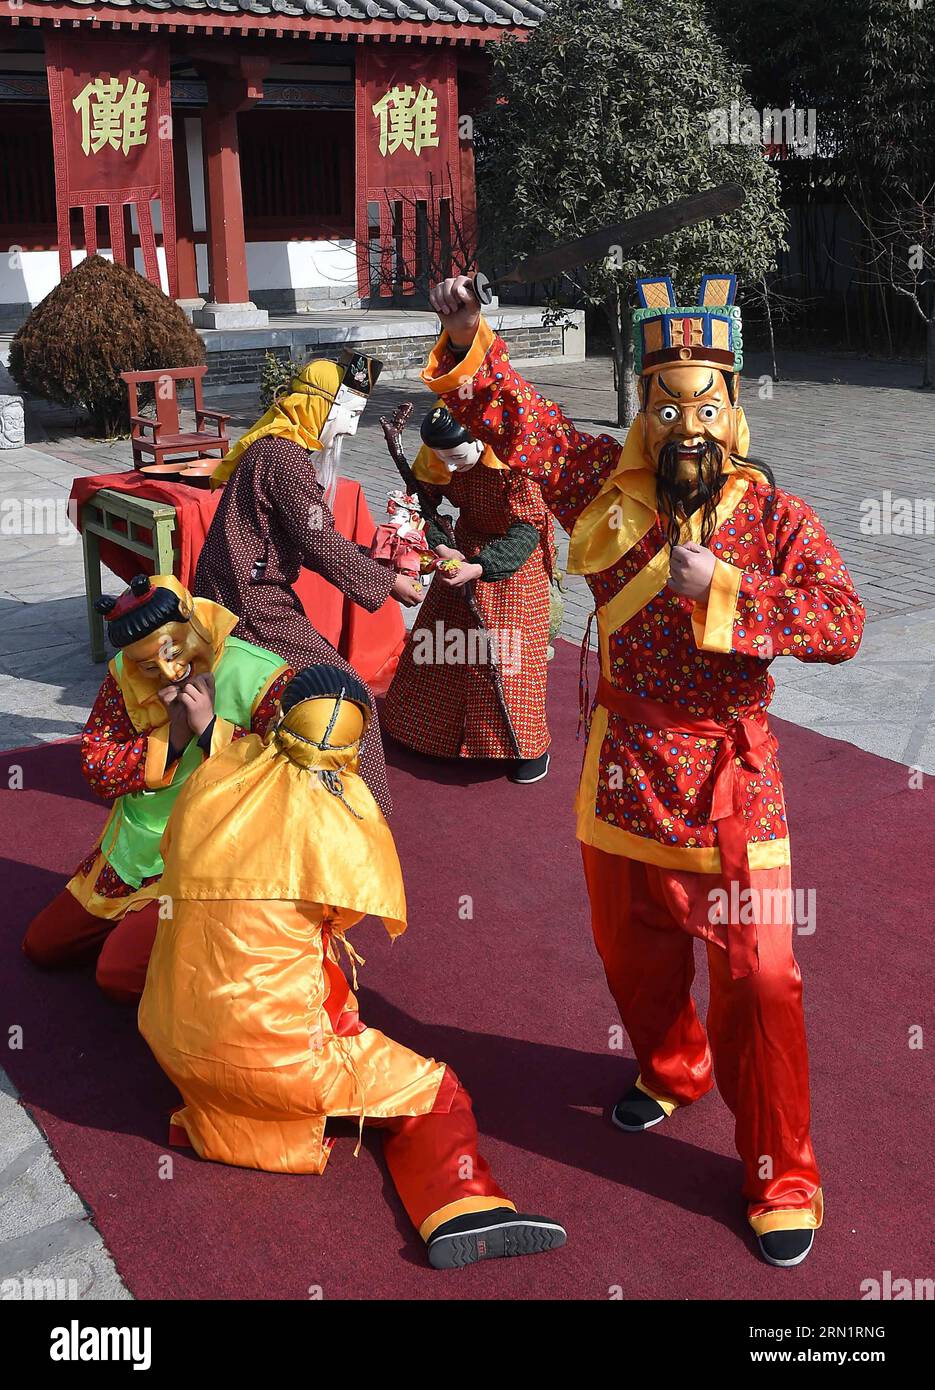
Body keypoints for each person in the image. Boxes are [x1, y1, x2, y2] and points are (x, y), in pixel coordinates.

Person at [421, 271, 866, 1267]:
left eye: (703, 403)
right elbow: (519, 423)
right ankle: (674, 1064)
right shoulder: (597, 482)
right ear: (641, 409)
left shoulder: (774, 519)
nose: (684, 424)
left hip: (732, 777)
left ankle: (779, 1173)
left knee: (761, 977)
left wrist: (734, 592)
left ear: (733, 408)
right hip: (623, 768)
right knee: (632, 950)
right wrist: (463, 333)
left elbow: (840, 621)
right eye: (665, 403)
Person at [138, 663, 567, 1270]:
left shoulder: (213, 783)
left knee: (173, 935)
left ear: (280, 719)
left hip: (171, 1041)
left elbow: (244, 769)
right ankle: (463, 1208)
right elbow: (344, 916)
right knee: (439, 1090)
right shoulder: (343, 819)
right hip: (278, 1062)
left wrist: (208, 730)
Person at [22, 574, 289, 1001]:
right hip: (138, 850)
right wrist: (175, 739)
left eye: (174, 652)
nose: (168, 673)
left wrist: (211, 730)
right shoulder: (124, 677)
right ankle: (153, 931)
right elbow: (98, 767)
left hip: (215, 854)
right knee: (43, 946)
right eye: (149, 666)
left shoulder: (262, 675)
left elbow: (285, 783)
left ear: (193, 621)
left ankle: (222, 957)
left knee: (117, 974)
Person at [194, 350, 422, 818]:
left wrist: (380, 565)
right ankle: (365, 816)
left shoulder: (271, 446)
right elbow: (318, 542)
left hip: (236, 590)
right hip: (251, 602)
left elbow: (315, 537)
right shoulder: (286, 460)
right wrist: (387, 584)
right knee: (346, 690)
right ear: (320, 406)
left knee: (290, 698)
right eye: (350, 414)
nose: (353, 428)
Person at [382, 405, 554, 784]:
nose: (452, 467)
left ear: (480, 442)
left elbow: (528, 531)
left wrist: (480, 567)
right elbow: (422, 508)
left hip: (515, 559)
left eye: (458, 457)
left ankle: (526, 747)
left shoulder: (514, 464)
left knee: (509, 655)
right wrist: (443, 548)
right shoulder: (439, 458)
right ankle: (429, 734)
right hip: (463, 547)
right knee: (440, 642)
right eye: (444, 459)